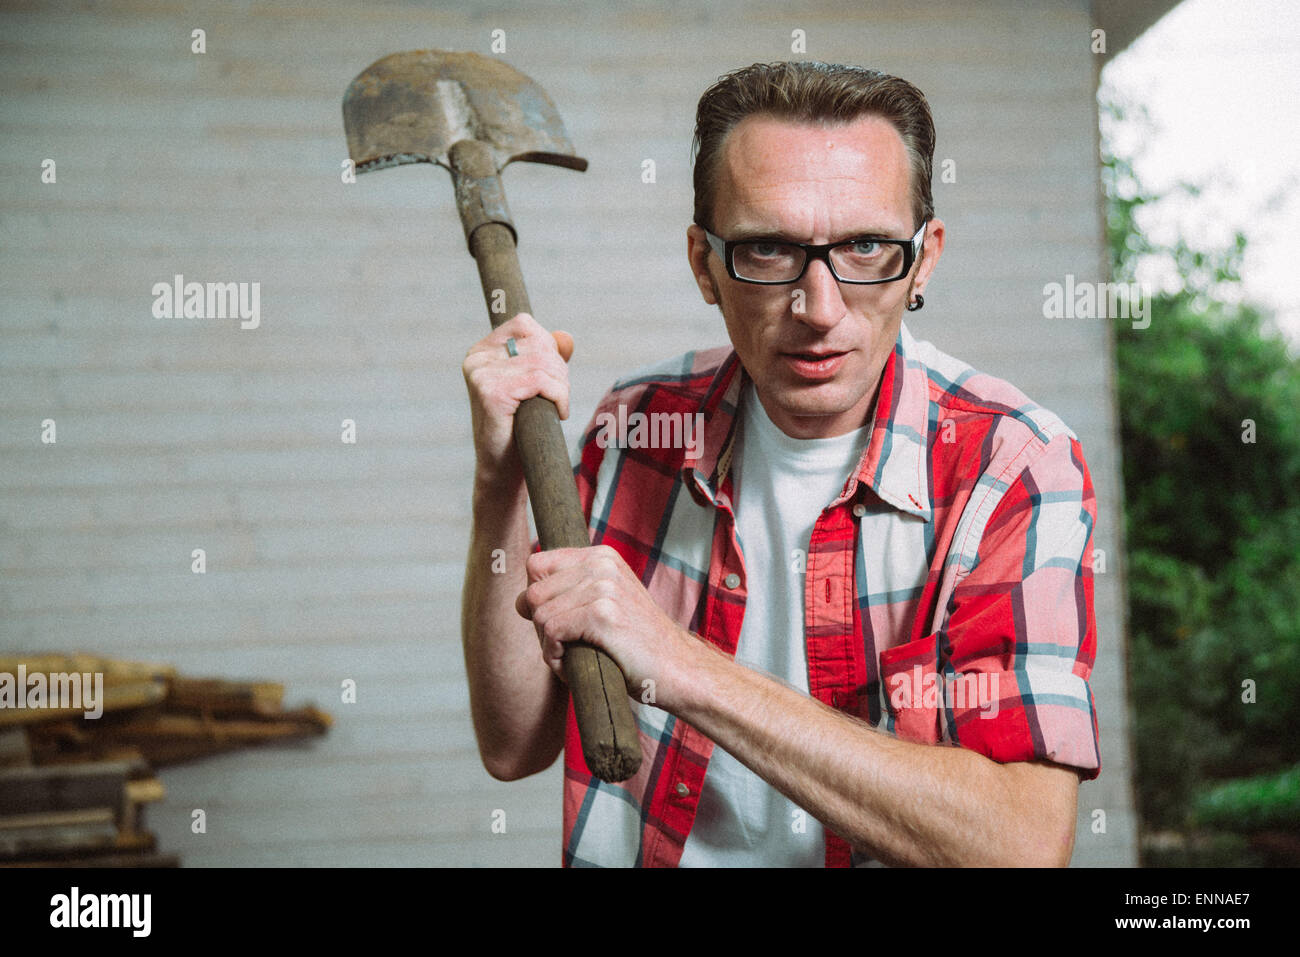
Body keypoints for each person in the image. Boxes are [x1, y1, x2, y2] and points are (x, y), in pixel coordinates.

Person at [461, 61, 1101, 867]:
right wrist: (500, 486)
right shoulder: (637, 428)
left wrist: (677, 662)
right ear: (704, 263)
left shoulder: (1011, 464)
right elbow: (514, 743)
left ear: (925, 258)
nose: (820, 308)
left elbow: (1019, 844)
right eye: (767, 250)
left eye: (867, 246)